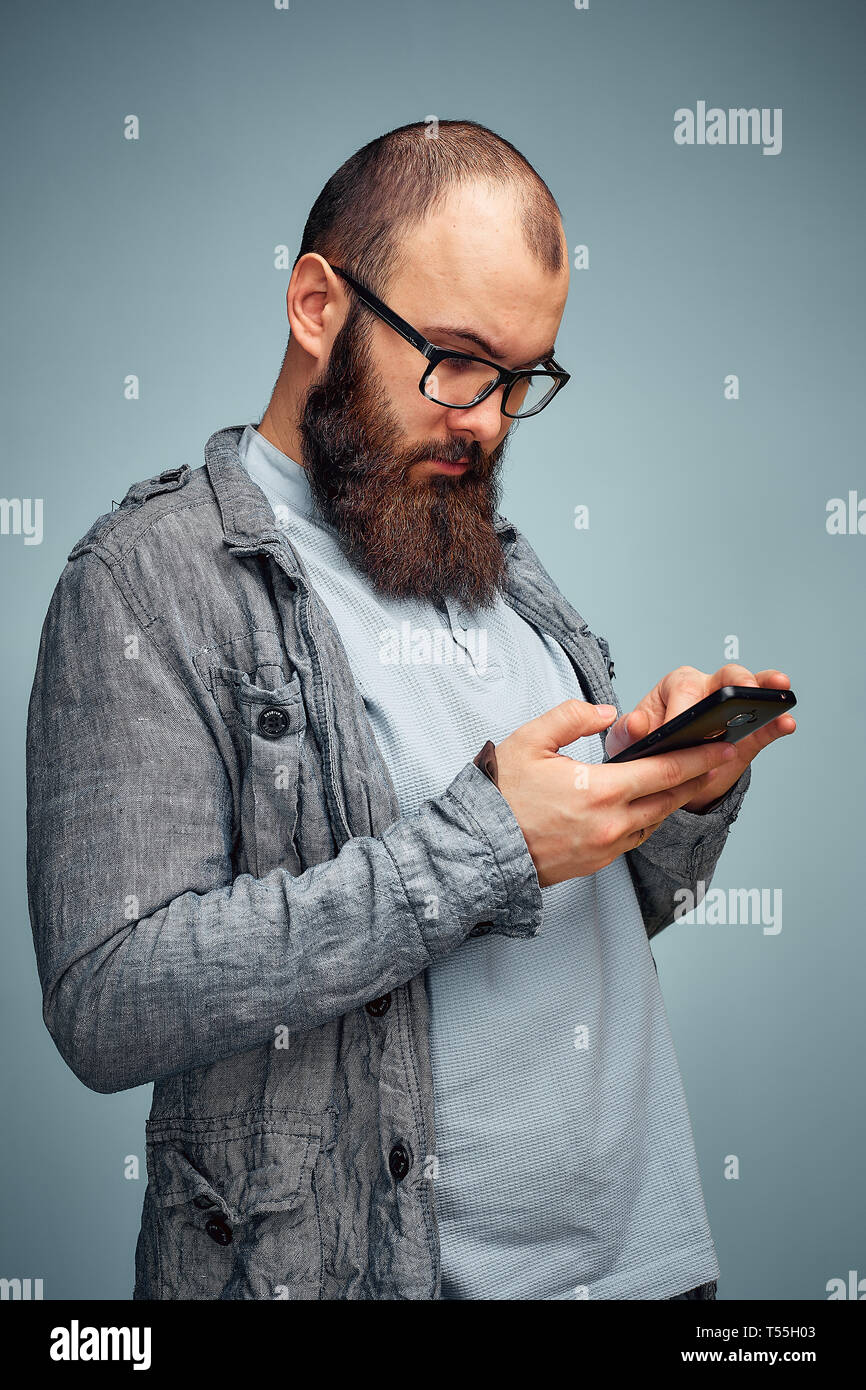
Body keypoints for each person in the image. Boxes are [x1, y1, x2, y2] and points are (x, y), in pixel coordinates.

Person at [26, 118, 795, 1301]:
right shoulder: (150, 578)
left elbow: (588, 925)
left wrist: (663, 797)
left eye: (523, 376)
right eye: (455, 358)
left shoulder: (494, 556)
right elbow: (109, 995)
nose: (487, 418)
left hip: (657, 1275)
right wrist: (486, 842)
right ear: (316, 304)